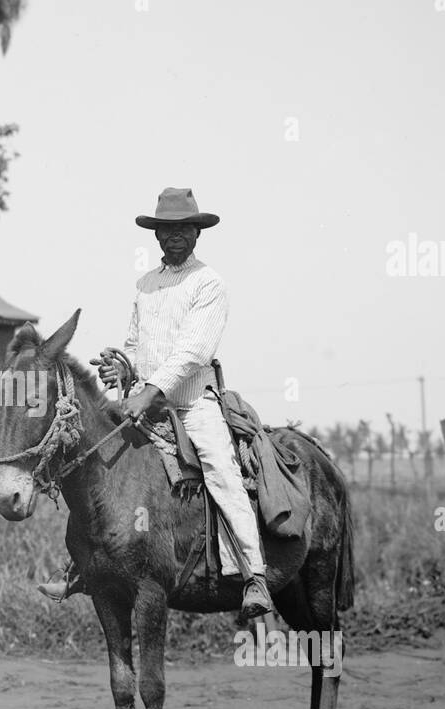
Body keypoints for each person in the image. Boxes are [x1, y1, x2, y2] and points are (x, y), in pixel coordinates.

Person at [39, 188, 275, 620]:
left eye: (184, 228)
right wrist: (121, 365)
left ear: (197, 233)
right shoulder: (145, 285)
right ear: (158, 235)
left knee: (222, 470)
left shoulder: (209, 284)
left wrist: (149, 391)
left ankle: (253, 574)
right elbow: (136, 343)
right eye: (167, 229)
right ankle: (84, 565)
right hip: (143, 404)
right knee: (96, 464)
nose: (175, 237)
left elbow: (192, 352)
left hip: (192, 403)